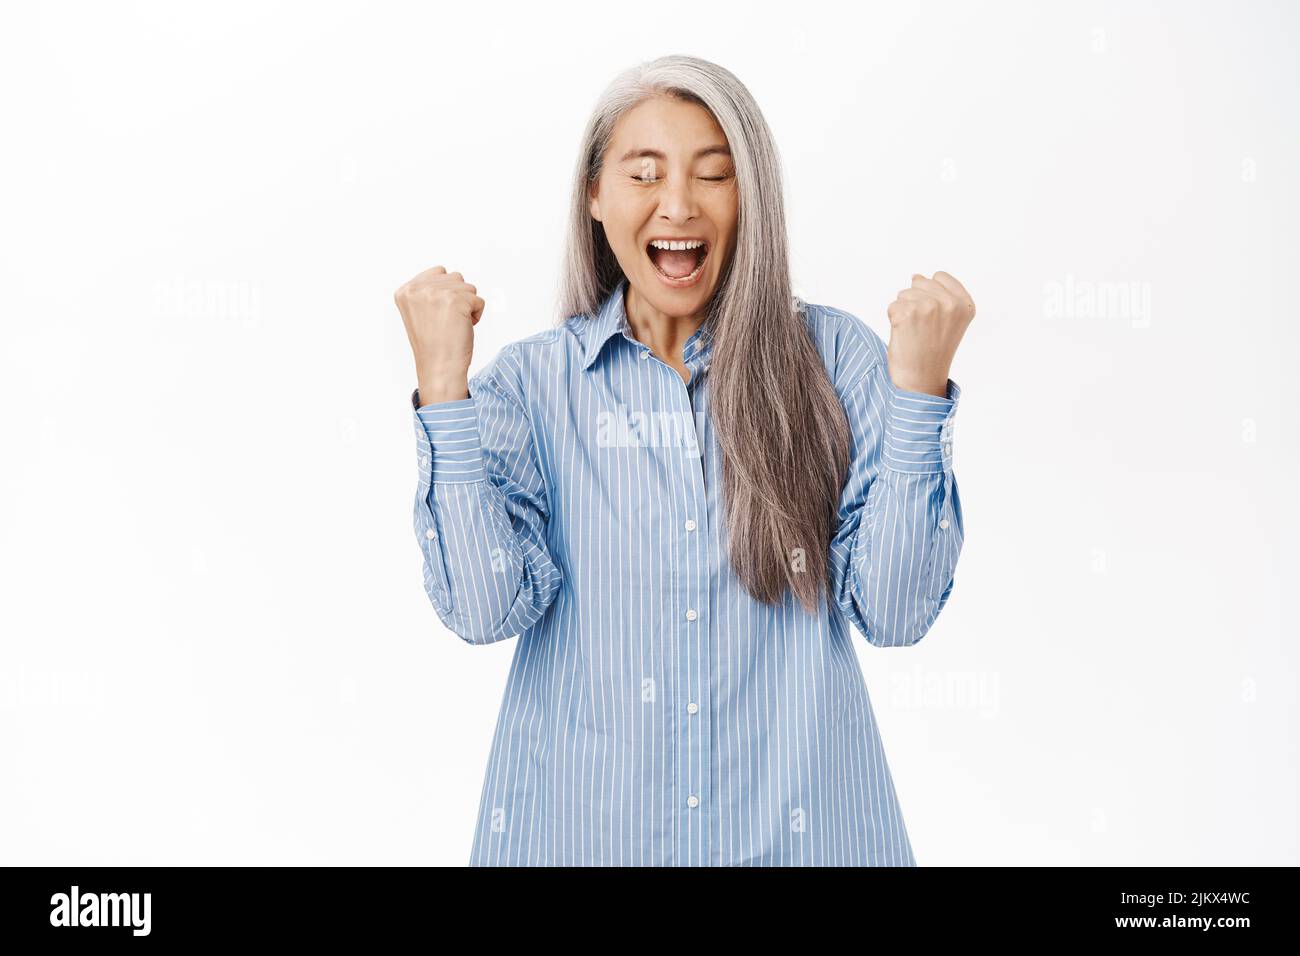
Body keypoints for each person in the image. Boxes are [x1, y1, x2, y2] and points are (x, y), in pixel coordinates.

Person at [393, 54, 975, 866]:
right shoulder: (530, 390)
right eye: (644, 173)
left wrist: (917, 396)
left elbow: (898, 609)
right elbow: (483, 611)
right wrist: (443, 391)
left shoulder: (835, 362)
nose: (678, 204)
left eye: (713, 174)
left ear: (752, 200)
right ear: (595, 196)